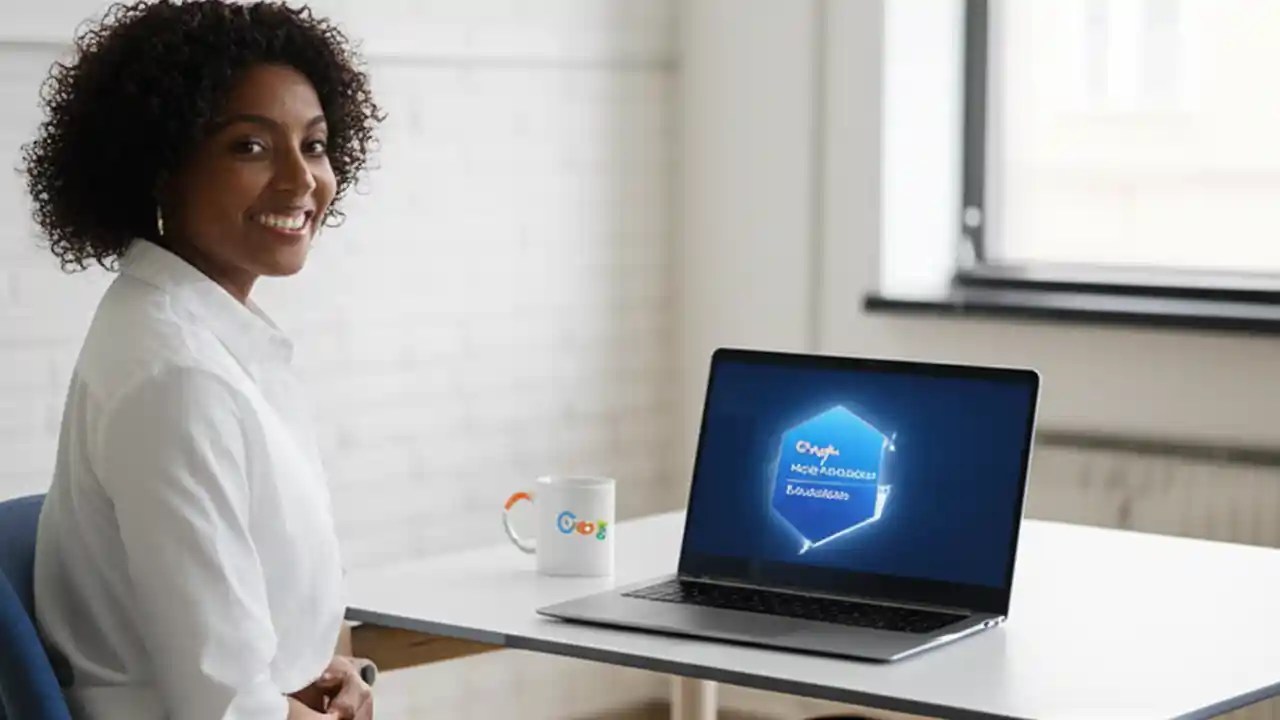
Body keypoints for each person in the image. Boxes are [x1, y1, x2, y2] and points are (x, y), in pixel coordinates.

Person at [21, 1, 384, 718]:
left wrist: (322, 668)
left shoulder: (201, 331)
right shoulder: (179, 378)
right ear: (162, 167)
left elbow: (229, 636)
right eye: (250, 146)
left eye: (313, 144)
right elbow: (224, 707)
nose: (300, 180)